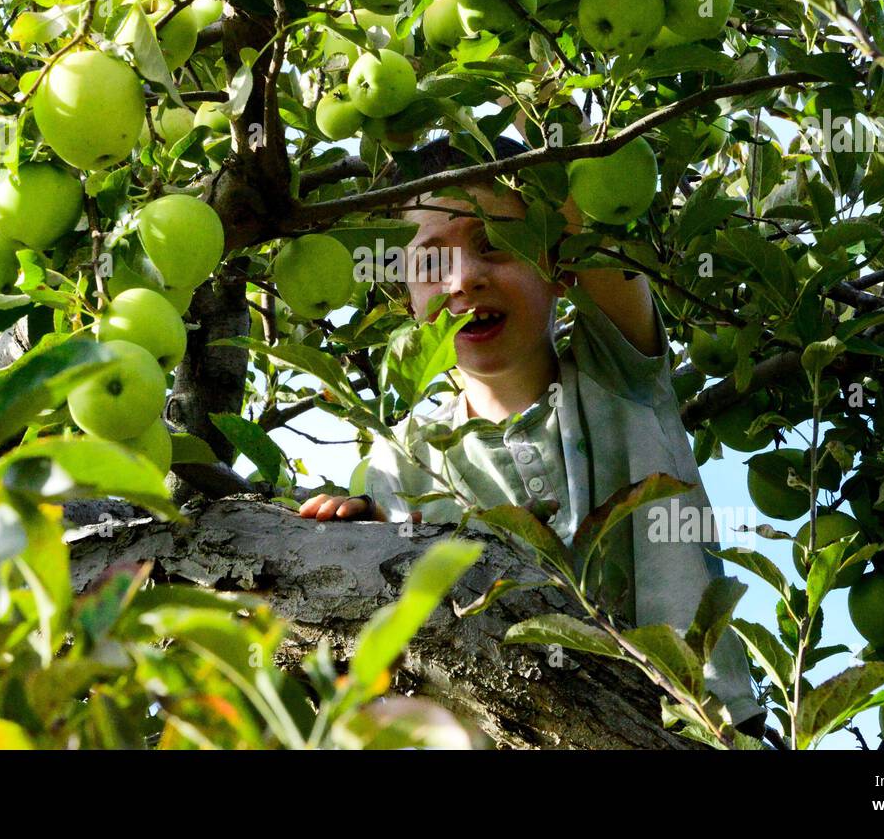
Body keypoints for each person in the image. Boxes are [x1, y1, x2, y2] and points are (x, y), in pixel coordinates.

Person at [298, 135, 765, 736]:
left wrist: (542, 152)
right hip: (524, 731)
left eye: (497, 245)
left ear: (561, 264)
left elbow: (597, 213)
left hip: (699, 724)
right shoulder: (404, 454)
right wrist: (356, 526)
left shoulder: (617, 372)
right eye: (431, 263)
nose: (463, 280)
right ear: (407, 293)